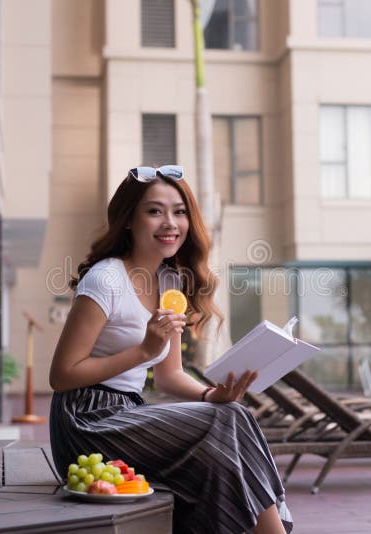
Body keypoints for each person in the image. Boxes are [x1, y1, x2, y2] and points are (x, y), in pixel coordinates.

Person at [48, 165, 292, 534]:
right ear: (129, 220)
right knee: (230, 423)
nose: (170, 223)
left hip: (130, 412)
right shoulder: (105, 278)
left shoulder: (169, 281)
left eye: (179, 212)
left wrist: (212, 394)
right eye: (154, 211)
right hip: (86, 421)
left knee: (230, 420)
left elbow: (170, 376)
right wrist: (144, 351)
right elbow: (62, 376)